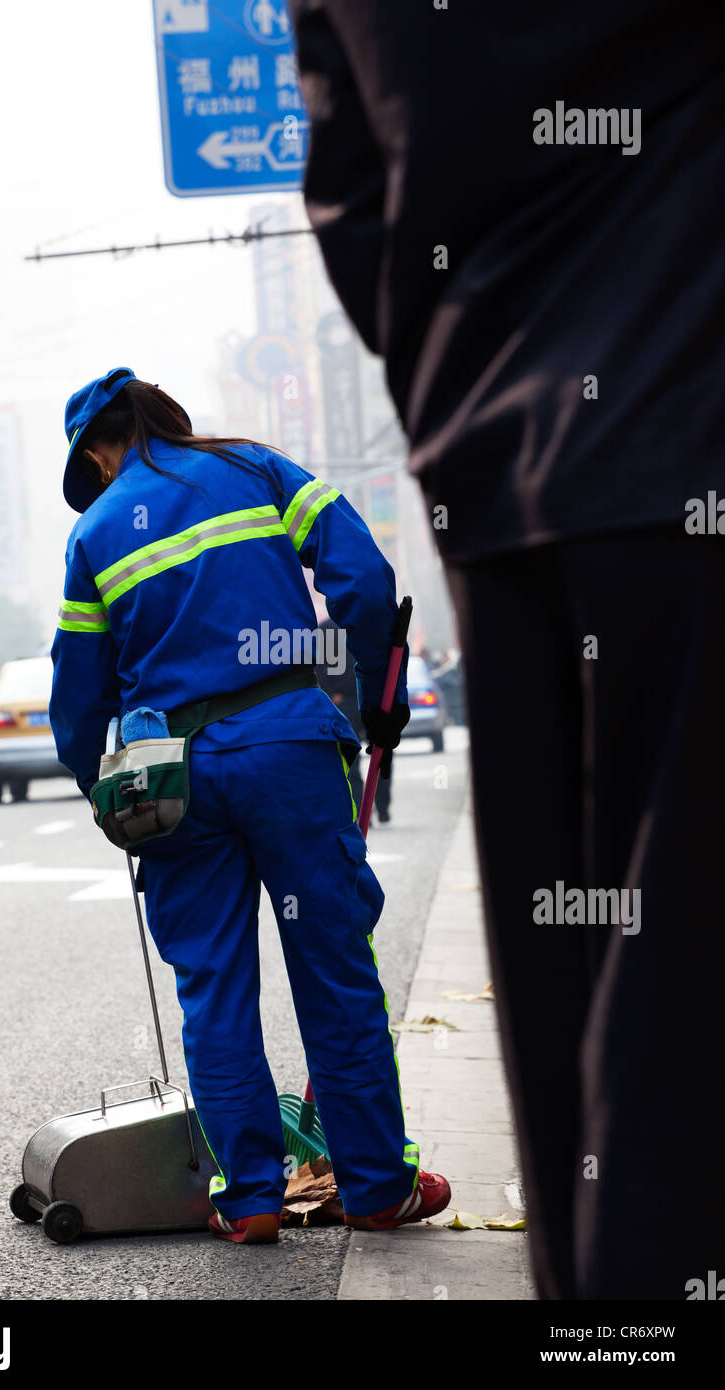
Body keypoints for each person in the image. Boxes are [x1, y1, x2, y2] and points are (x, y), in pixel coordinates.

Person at [290, 0, 725, 1297]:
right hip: (688, 428)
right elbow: (360, 584)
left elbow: (349, 189)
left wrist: (451, 390)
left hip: (495, 483)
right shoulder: (258, 485)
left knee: (565, 974)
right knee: (679, 996)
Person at [49, 369, 450, 1243]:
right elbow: (364, 575)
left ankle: (252, 1198)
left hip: (173, 783)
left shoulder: (95, 534)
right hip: (290, 749)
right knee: (336, 971)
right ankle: (379, 1186)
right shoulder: (257, 469)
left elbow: (77, 702)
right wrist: (371, 686)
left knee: (214, 991)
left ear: (99, 450)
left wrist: (97, 785)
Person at [315, 616, 393, 822]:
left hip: (372, 701)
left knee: (381, 756)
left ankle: (381, 807)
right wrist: (331, 695)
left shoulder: (371, 624)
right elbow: (318, 667)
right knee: (352, 760)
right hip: (346, 702)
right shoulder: (327, 629)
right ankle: (360, 814)